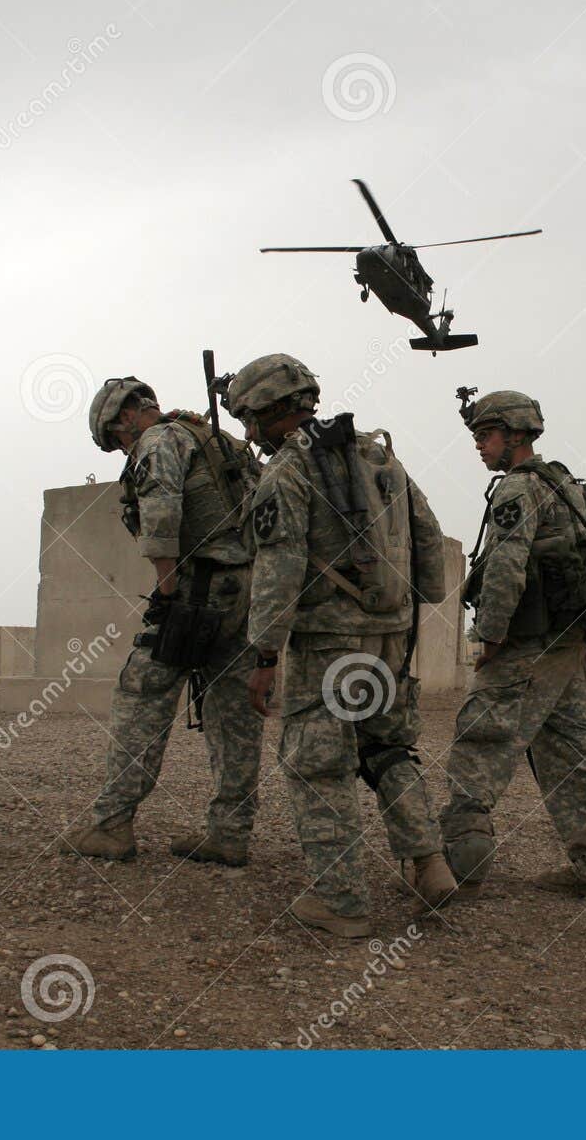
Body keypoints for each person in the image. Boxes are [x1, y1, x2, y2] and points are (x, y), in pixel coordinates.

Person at [224, 354, 456, 937]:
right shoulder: (379, 455)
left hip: (328, 644)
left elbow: (279, 567)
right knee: (388, 749)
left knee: (318, 766)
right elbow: (428, 539)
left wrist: (265, 656)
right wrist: (406, 610)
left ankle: (342, 902)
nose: (248, 434)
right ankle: (429, 863)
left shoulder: (289, 469)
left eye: (249, 419)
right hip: (390, 637)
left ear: (272, 409)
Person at [57, 377, 264, 866]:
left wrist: (167, 595)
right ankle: (230, 833)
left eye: (116, 439)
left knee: (141, 695)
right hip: (248, 590)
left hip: (198, 592)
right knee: (234, 711)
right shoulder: (214, 437)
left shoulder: (158, 441)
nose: (122, 448)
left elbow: (162, 518)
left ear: (127, 416)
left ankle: (112, 826)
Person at [439, 390, 586, 902]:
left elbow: (505, 566)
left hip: (528, 643)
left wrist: (491, 636)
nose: (478, 445)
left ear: (515, 434)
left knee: (480, 741)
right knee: (570, 754)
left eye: (486, 435)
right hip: (568, 643)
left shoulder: (518, 487)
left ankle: (458, 872)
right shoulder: (566, 485)